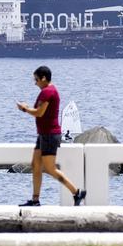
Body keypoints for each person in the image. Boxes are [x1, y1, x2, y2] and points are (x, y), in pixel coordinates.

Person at [16, 65, 86, 206]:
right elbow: (39, 111)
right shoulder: (49, 91)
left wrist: (24, 109)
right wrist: (29, 108)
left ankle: (76, 192)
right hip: (43, 134)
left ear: (44, 78)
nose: (35, 83)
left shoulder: (47, 92)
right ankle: (35, 200)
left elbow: (39, 113)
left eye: (36, 79)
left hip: (49, 135)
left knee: (50, 168)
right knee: (36, 165)